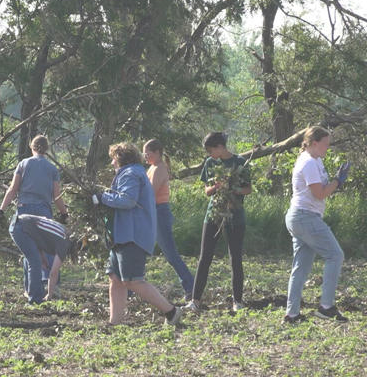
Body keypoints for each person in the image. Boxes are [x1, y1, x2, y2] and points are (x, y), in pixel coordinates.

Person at [92, 142, 183, 326]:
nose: (112, 164)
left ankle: (171, 311)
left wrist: (102, 197)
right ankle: (114, 322)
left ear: (121, 159)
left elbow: (127, 200)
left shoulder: (131, 174)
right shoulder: (131, 172)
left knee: (133, 281)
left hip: (132, 235)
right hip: (121, 235)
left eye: (113, 159)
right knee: (115, 279)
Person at [283, 126, 351, 323]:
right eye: (325, 144)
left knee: (301, 266)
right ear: (314, 143)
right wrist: (338, 181)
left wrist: (336, 182)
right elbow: (319, 193)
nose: (327, 148)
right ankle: (326, 306)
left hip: (300, 217)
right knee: (335, 255)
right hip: (305, 217)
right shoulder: (309, 163)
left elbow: (321, 190)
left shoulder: (316, 160)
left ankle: (292, 314)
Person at [0, 135, 69, 304]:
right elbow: (56, 196)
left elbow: (13, 189)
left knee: (29, 253)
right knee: (41, 252)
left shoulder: (24, 164)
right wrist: (64, 214)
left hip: (25, 210)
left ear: (32, 147)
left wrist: (1, 209)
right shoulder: (52, 169)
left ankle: (30, 290)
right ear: (46, 149)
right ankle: (47, 286)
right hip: (43, 212)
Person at [187, 132, 252, 313]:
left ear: (220, 147)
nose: (209, 154)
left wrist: (232, 188)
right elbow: (207, 191)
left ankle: (237, 301)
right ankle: (195, 300)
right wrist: (216, 186)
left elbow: (248, 189)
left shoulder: (240, 162)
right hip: (213, 215)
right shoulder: (210, 164)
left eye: (210, 150)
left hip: (235, 216)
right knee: (204, 257)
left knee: (235, 258)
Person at [143, 139, 195, 301]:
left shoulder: (159, 168)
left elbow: (149, 193)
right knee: (140, 250)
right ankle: (132, 287)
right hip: (152, 212)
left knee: (170, 253)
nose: (145, 156)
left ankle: (191, 287)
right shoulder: (152, 168)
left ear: (157, 152)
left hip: (159, 212)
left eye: (147, 153)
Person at [16, 214, 74, 300]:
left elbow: (39, 237)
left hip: (21, 222)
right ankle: (35, 299)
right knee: (35, 263)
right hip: (21, 227)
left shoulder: (63, 232)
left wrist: (43, 258)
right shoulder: (64, 244)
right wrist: (49, 295)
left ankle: (32, 294)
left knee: (36, 261)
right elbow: (53, 273)